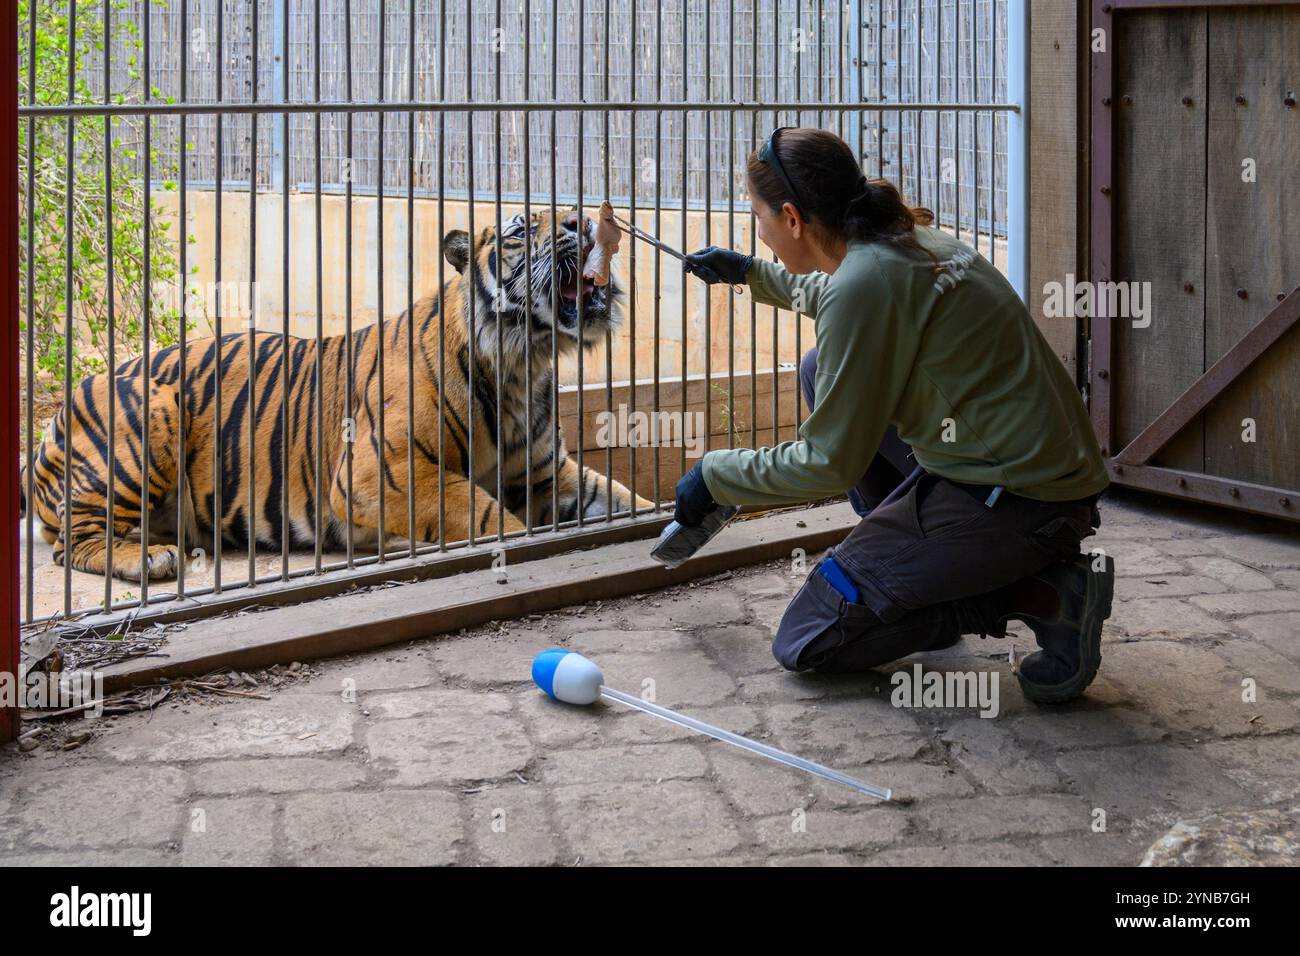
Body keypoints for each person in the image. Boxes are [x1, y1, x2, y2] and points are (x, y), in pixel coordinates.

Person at [674, 126, 1113, 705]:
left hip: (1017, 501)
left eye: (757, 217)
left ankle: (1041, 593)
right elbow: (844, 295)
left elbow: (829, 463)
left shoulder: (866, 283)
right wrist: (753, 274)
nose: (759, 232)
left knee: (808, 640)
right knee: (816, 369)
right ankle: (923, 563)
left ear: (792, 218)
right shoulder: (911, 242)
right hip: (1035, 481)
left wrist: (714, 473)